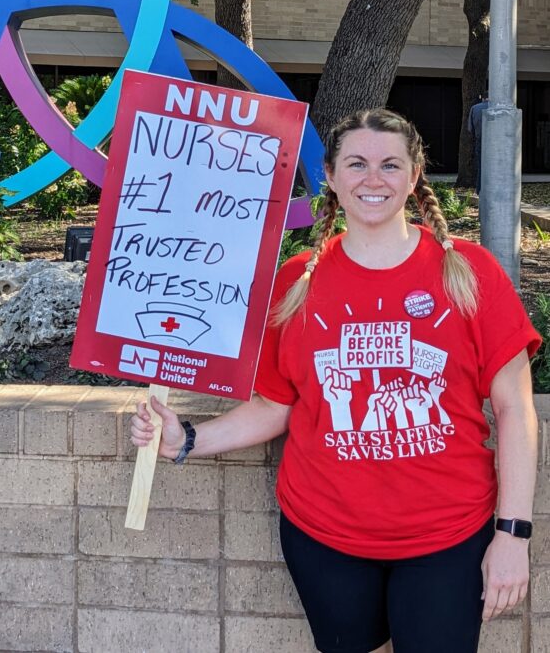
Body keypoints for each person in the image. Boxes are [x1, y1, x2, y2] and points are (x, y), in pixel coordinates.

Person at [131, 108, 540, 653]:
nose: (374, 179)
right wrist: (188, 439)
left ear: (415, 176)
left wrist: (513, 535)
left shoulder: (467, 271)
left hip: (448, 532)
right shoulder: (298, 280)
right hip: (325, 533)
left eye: (391, 165)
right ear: (330, 175)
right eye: (357, 164)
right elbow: (276, 405)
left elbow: (515, 408)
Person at [468, 94, 489, 193]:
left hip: (479, 139)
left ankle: (479, 189)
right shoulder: (496, 108)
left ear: (483, 98)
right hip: (495, 142)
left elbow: (470, 128)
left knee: (480, 165)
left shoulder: (474, 108)